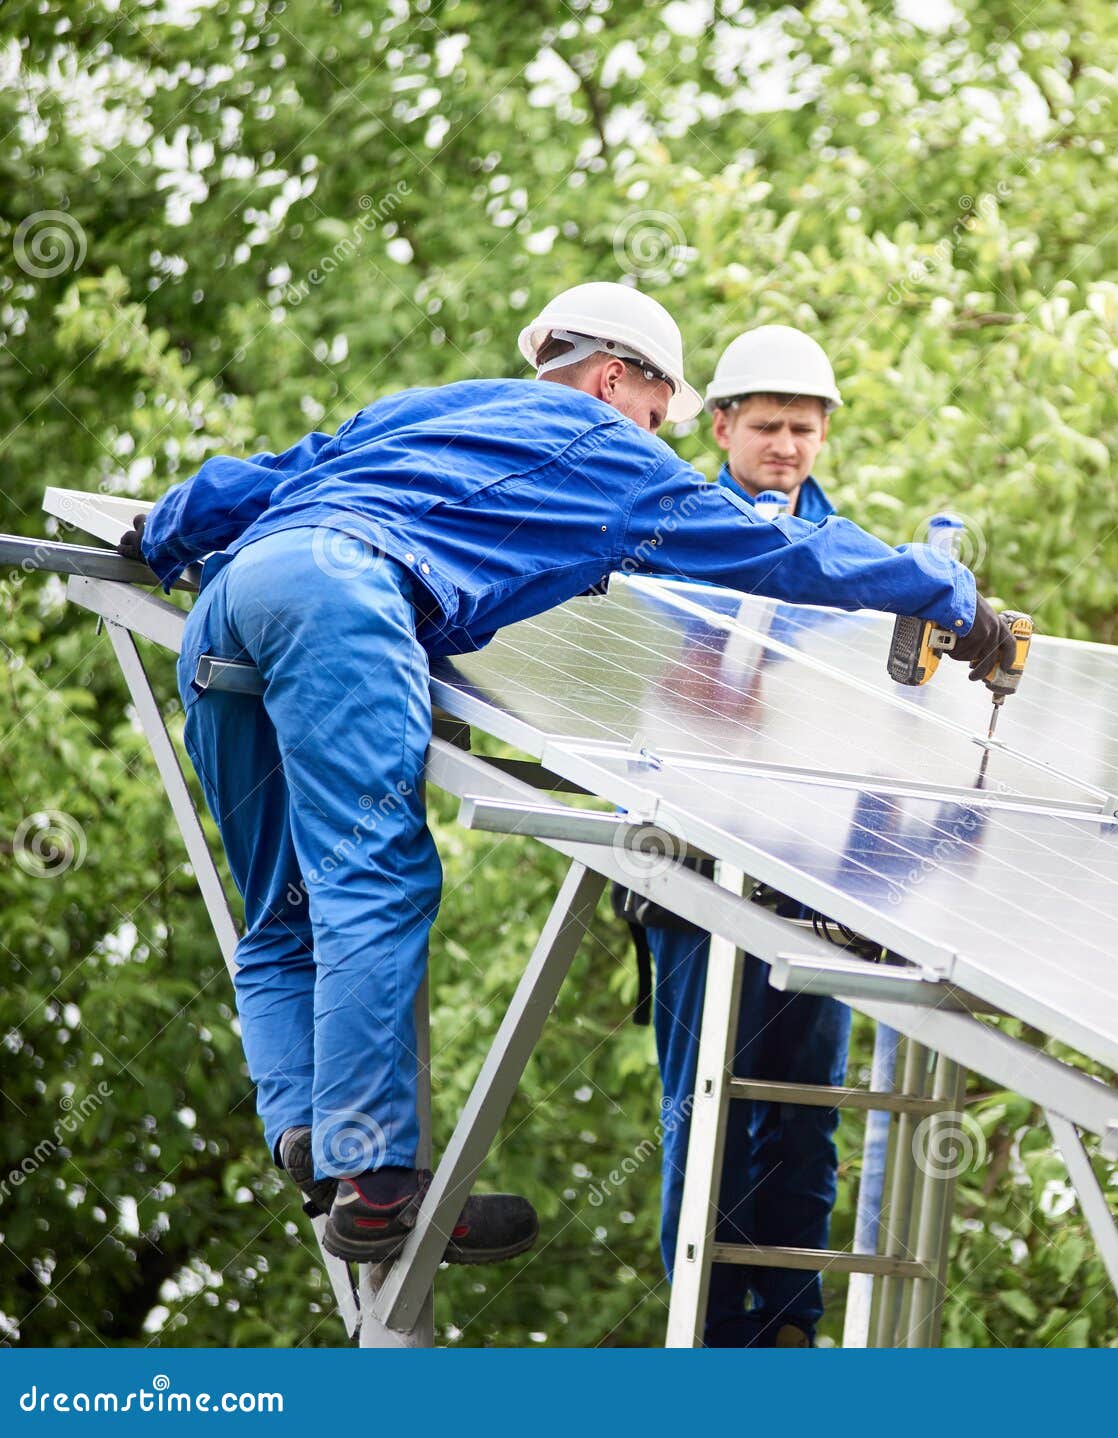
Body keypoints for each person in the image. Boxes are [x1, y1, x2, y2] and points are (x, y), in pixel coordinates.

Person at [121, 284, 1013, 1269]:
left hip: (230, 606)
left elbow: (263, 475)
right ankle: (375, 1180)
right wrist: (949, 597)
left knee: (280, 909)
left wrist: (159, 536)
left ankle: (308, 1138)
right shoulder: (614, 455)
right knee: (375, 877)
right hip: (343, 597)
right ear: (611, 377)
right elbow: (781, 551)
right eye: (656, 411)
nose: (655, 433)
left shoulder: (434, 407)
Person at [640, 326, 855, 1347]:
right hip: (696, 863)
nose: (785, 446)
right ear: (720, 424)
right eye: (766, 426)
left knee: (805, 1113)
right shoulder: (669, 526)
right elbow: (637, 677)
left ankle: (789, 1328)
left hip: (811, 870)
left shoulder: (847, 553)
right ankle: (710, 1327)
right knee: (707, 1108)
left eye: (803, 429)